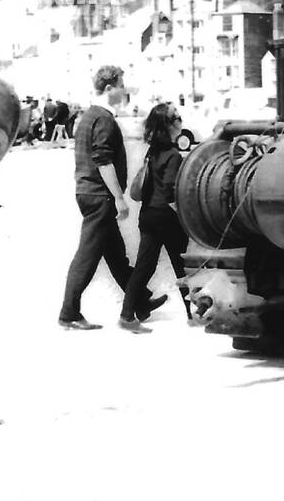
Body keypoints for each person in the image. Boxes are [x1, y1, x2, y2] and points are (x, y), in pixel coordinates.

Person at [58, 65, 167, 330]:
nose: (123, 91)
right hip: (99, 196)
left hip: (87, 192)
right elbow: (103, 160)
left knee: (115, 254)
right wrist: (119, 198)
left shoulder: (88, 117)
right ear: (109, 89)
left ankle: (139, 300)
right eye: (121, 86)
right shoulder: (104, 119)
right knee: (87, 255)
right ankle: (69, 313)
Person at [118, 104, 194, 333]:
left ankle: (127, 315)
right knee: (182, 265)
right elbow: (171, 189)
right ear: (169, 125)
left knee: (144, 267)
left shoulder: (153, 151)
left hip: (148, 215)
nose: (181, 120)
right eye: (177, 118)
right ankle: (193, 313)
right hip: (166, 217)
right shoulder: (172, 155)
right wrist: (184, 214)